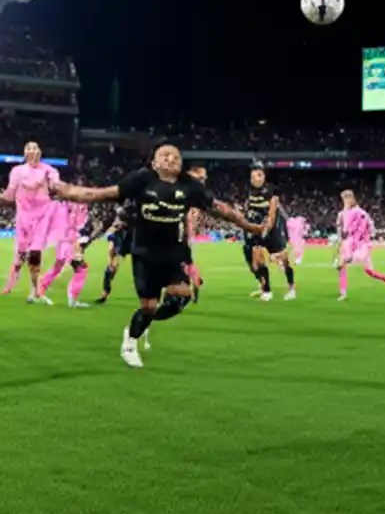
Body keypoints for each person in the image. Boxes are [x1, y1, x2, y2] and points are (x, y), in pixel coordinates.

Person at [50, 144, 263, 368]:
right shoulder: (142, 179)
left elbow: (221, 209)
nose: (171, 158)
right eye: (165, 155)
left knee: (180, 297)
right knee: (149, 306)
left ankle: (144, 323)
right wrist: (70, 192)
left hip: (174, 253)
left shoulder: (190, 186)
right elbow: (104, 193)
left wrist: (249, 226)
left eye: (175, 156)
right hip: (144, 254)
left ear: (181, 163)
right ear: (154, 162)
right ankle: (130, 340)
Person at [0, 141, 59, 303]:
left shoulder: (49, 170)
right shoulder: (17, 171)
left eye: (35, 148)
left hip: (43, 217)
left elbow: (56, 185)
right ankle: (11, 283)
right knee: (20, 256)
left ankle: (34, 290)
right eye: (29, 148)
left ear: (40, 152)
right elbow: (7, 198)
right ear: (24, 153)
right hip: (23, 219)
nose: (32, 151)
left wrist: (56, 187)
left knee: (35, 253)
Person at [242, 167, 296, 301]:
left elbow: (272, 214)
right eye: (253, 176)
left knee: (284, 260)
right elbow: (248, 208)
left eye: (258, 175)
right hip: (256, 229)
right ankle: (266, 290)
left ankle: (291, 288)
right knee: (257, 260)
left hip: (272, 230)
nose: (255, 179)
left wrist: (266, 230)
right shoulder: (250, 191)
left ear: (264, 177)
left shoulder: (271, 191)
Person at [37, 183, 93, 308]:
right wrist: (77, 244)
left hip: (62, 241)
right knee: (81, 268)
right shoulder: (79, 206)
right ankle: (72, 299)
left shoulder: (61, 205)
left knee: (58, 266)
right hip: (69, 242)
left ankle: (40, 290)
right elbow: (77, 225)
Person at [335, 189, 385, 301]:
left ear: (352, 199)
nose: (345, 201)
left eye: (347, 198)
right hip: (352, 243)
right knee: (360, 269)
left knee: (350, 261)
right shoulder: (344, 213)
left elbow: (367, 228)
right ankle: (343, 292)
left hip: (362, 245)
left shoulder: (359, 213)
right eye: (344, 199)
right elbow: (343, 230)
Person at [93, 202, 134, 304]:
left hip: (132, 239)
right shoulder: (118, 211)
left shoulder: (133, 209)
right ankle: (105, 293)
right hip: (120, 238)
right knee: (110, 268)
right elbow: (111, 247)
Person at [184, 165, 209, 303]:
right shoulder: (196, 192)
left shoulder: (194, 193)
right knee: (187, 260)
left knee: (184, 260)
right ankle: (195, 280)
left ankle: (194, 282)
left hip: (185, 231)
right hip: (187, 231)